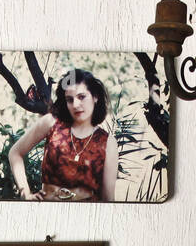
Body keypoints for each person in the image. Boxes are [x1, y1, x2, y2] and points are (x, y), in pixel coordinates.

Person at [8, 69, 117, 201]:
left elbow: (108, 198)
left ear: (95, 97)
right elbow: (15, 153)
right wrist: (25, 193)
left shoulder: (107, 142)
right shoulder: (51, 123)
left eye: (81, 97)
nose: (76, 105)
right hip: (46, 211)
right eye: (69, 100)